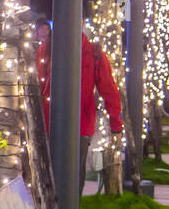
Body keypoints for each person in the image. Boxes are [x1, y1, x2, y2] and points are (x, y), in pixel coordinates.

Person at [37, 25, 123, 192]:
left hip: (63, 122)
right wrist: (116, 125)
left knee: (62, 174)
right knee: (69, 174)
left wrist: (116, 124)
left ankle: (62, 206)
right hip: (64, 123)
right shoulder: (48, 49)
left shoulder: (91, 52)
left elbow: (109, 90)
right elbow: (109, 90)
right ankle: (66, 206)